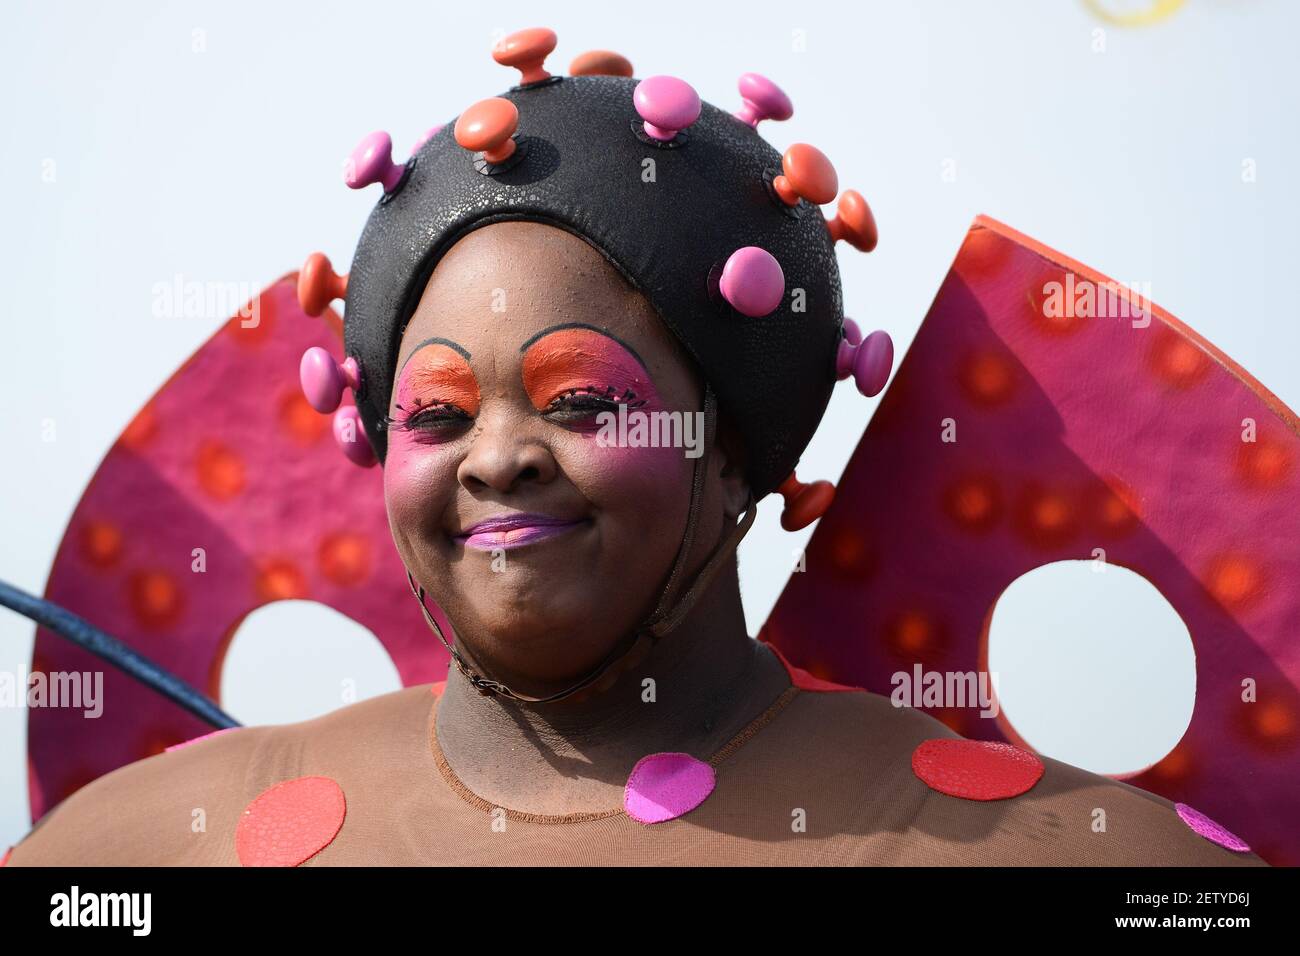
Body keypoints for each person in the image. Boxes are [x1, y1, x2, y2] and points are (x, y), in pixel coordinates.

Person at [2, 30, 1267, 866]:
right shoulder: (127, 855)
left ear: (736, 448)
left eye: (580, 401)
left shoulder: (1090, 858)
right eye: (435, 413)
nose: (498, 457)